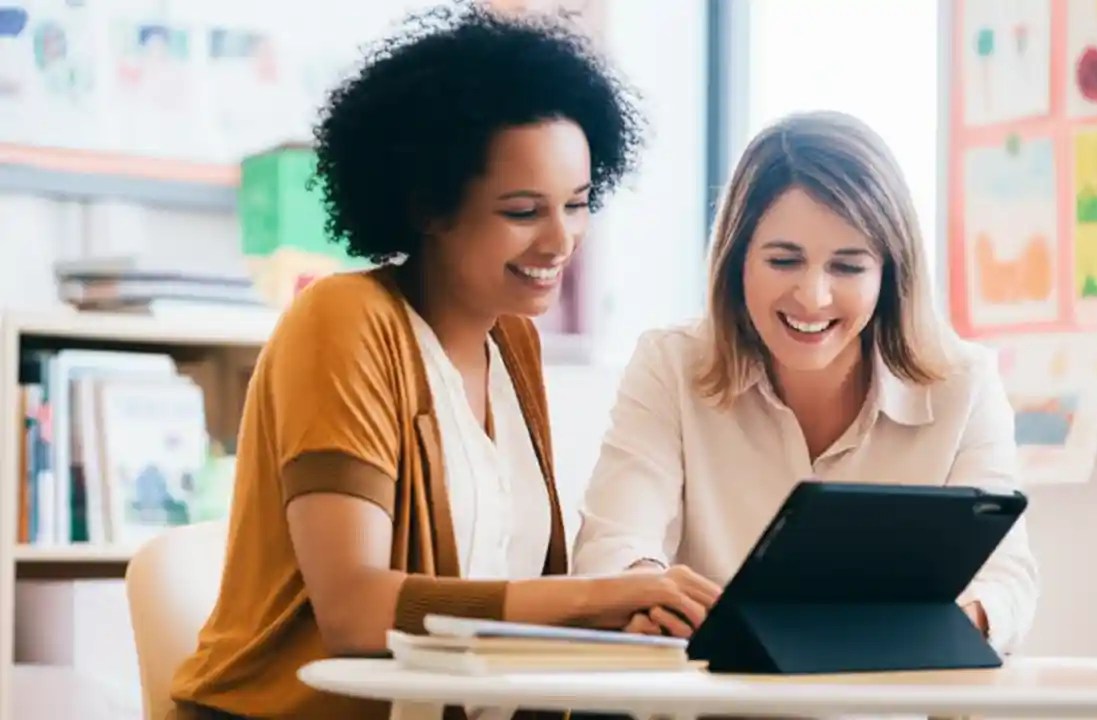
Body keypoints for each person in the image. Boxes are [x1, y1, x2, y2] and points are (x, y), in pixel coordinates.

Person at [169, 5, 718, 719]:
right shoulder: (344, 321)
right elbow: (355, 610)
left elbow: (504, 602)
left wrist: (624, 617)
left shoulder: (512, 343)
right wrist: (597, 595)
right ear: (429, 204)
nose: (561, 242)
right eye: (523, 212)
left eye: (577, 205)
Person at [573, 110, 1038, 652]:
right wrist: (648, 592)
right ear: (737, 260)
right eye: (784, 260)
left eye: (847, 267)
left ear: (889, 273)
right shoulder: (670, 365)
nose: (813, 297)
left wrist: (925, 626)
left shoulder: (963, 384)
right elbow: (613, 544)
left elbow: (1007, 582)